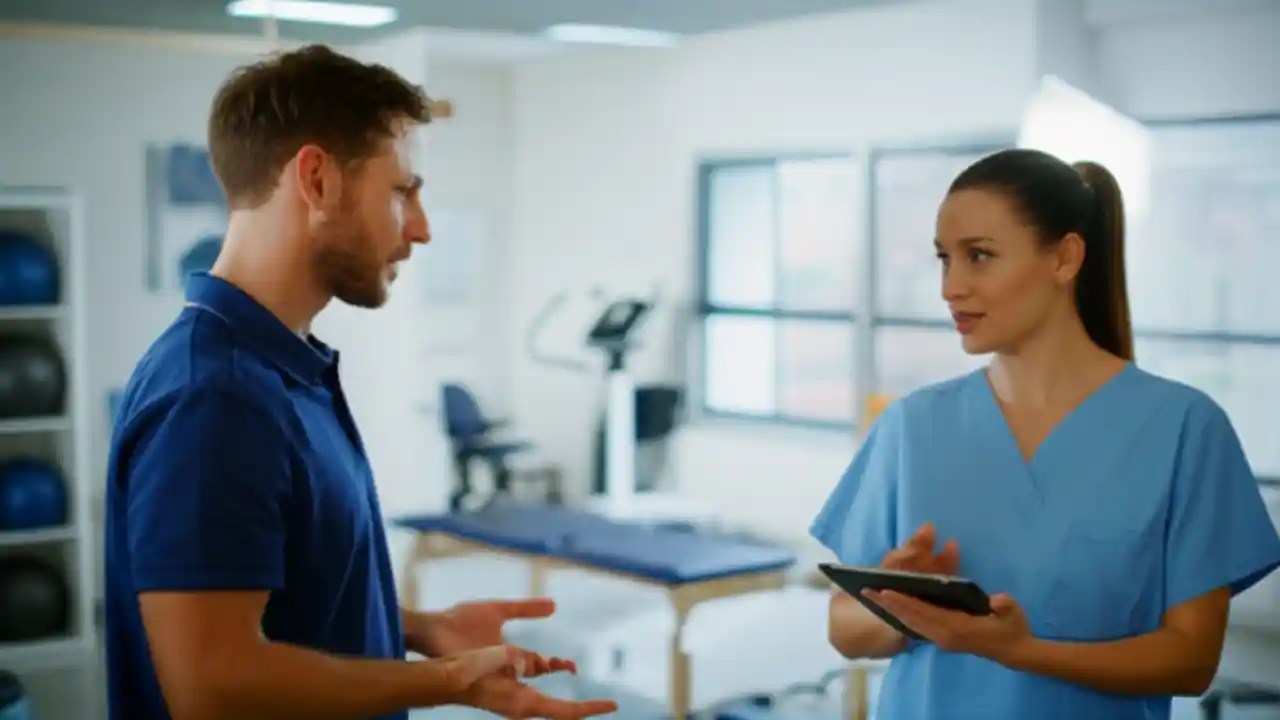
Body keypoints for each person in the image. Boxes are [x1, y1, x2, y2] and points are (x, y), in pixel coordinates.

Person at [103, 45, 619, 720]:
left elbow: (282, 592)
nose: (422, 230)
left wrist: (419, 630)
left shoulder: (281, 369)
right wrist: (451, 680)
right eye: (402, 192)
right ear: (317, 180)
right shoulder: (217, 397)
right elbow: (213, 686)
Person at [812, 148, 1280, 719]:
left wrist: (1022, 652)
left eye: (979, 256)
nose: (950, 287)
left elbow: (1191, 659)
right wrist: (900, 606)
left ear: (1064, 258)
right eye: (944, 259)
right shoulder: (911, 427)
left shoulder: (1184, 429)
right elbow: (844, 628)